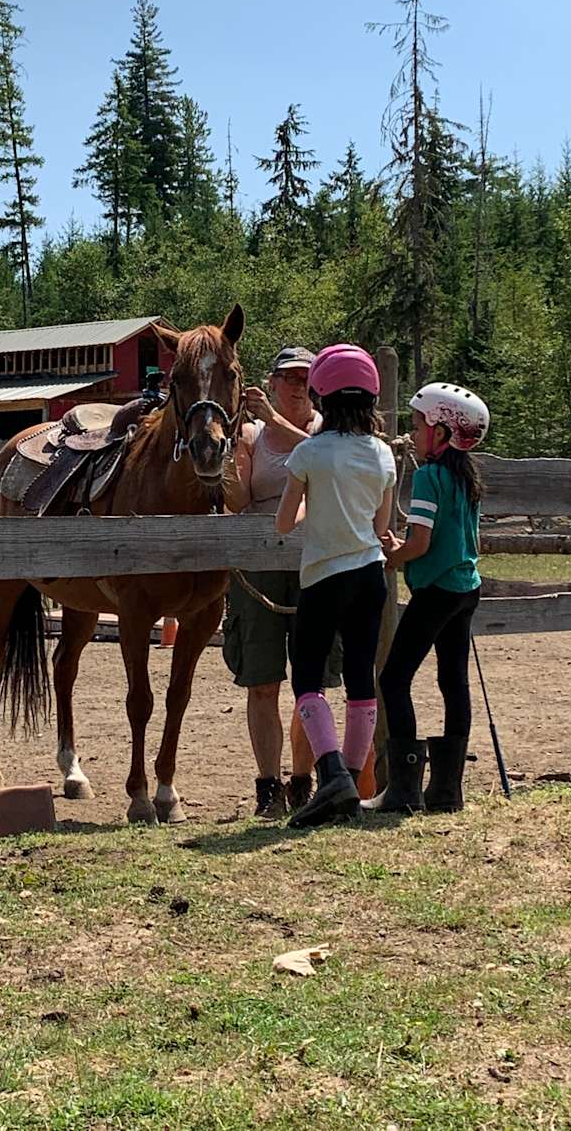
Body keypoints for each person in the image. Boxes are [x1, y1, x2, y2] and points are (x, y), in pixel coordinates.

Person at [275, 344, 397, 829]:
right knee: (361, 679)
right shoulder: (384, 454)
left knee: (307, 677)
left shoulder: (309, 453)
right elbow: (381, 523)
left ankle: (331, 777)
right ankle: (349, 776)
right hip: (369, 575)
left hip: (323, 577)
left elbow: (285, 522)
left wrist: (312, 510)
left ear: (321, 394)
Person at [221, 346, 340, 818]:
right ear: (271, 382)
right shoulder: (251, 435)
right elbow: (236, 501)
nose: (297, 384)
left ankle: (303, 781)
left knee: (312, 684)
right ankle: (268, 787)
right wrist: (225, 455)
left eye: (305, 376)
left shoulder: (326, 432)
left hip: (316, 565)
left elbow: (326, 467)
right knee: (263, 682)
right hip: (260, 566)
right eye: (289, 376)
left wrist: (272, 418)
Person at [364, 382, 490, 815]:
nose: (413, 433)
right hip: (465, 588)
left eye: (418, 425)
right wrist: (406, 546)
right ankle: (446, 790)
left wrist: (394, 556)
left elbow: (420, 542)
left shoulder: (428, 476)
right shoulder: (464, 475)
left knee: (394, 679)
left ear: (440, 431)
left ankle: (403, 789)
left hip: (435, 590)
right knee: (453, 681)